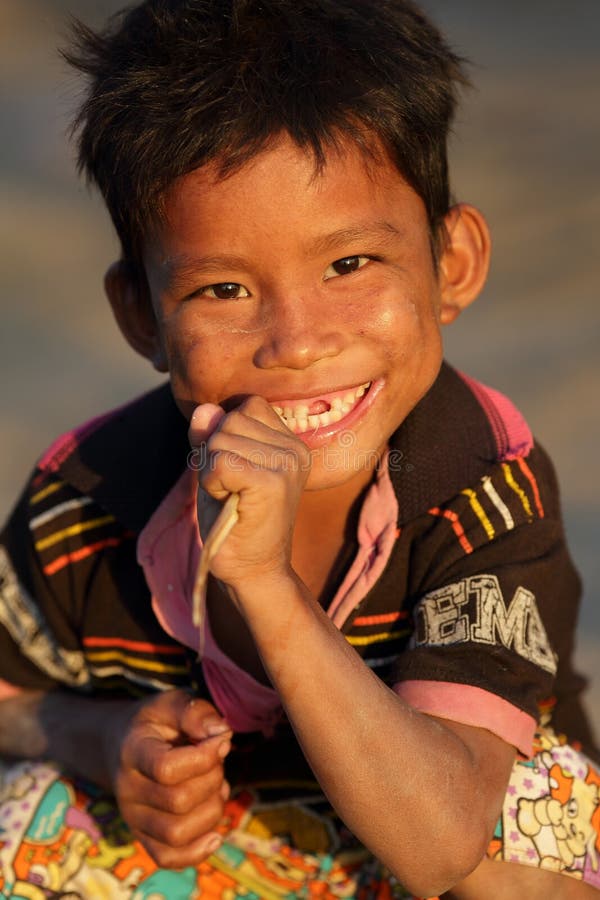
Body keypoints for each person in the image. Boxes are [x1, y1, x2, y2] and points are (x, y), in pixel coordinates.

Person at [0, 0, 598, 897]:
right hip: (218, 860)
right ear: (141, 316)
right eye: (226, 288)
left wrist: (266, 588)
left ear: (453, 264)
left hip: (428, 823)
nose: (298, 342)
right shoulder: (86, 500)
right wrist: (105, 739)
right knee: (26, 812)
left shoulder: (482, 491)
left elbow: (440, 844)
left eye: (350, 266)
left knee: (543, 821)